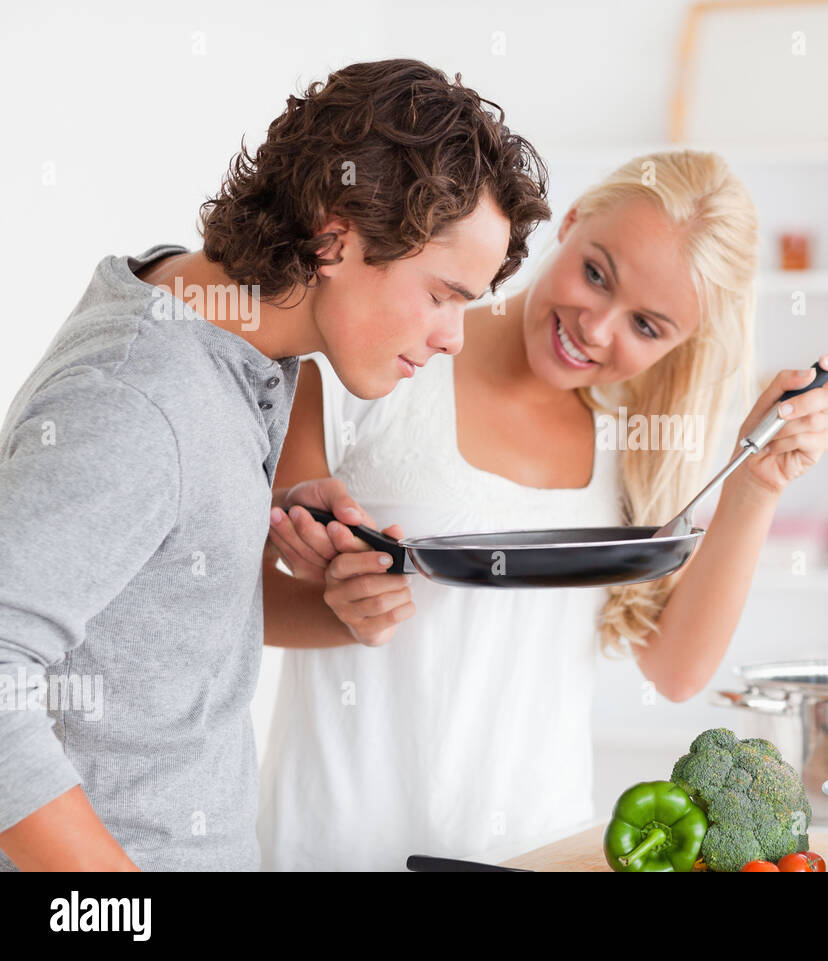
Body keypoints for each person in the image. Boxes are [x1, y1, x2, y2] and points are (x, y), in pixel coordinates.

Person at [0, 59, 549, 871]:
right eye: (443, 293)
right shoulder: (138, 399)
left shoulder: (230, 341)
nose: (453, 337)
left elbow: (138, 614)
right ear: (334, 236)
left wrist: (316, 591)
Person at [259, 149, 828, 870]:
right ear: (569, 222)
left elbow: (674, 671)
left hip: (537, 851)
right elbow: (249, 584)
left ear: (681, 343)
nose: (597, 328)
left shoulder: (631, 443)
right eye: (596, 273)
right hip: (337, 847)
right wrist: (334, 601)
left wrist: (757, 482)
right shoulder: (377, 362)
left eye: (647, 326)